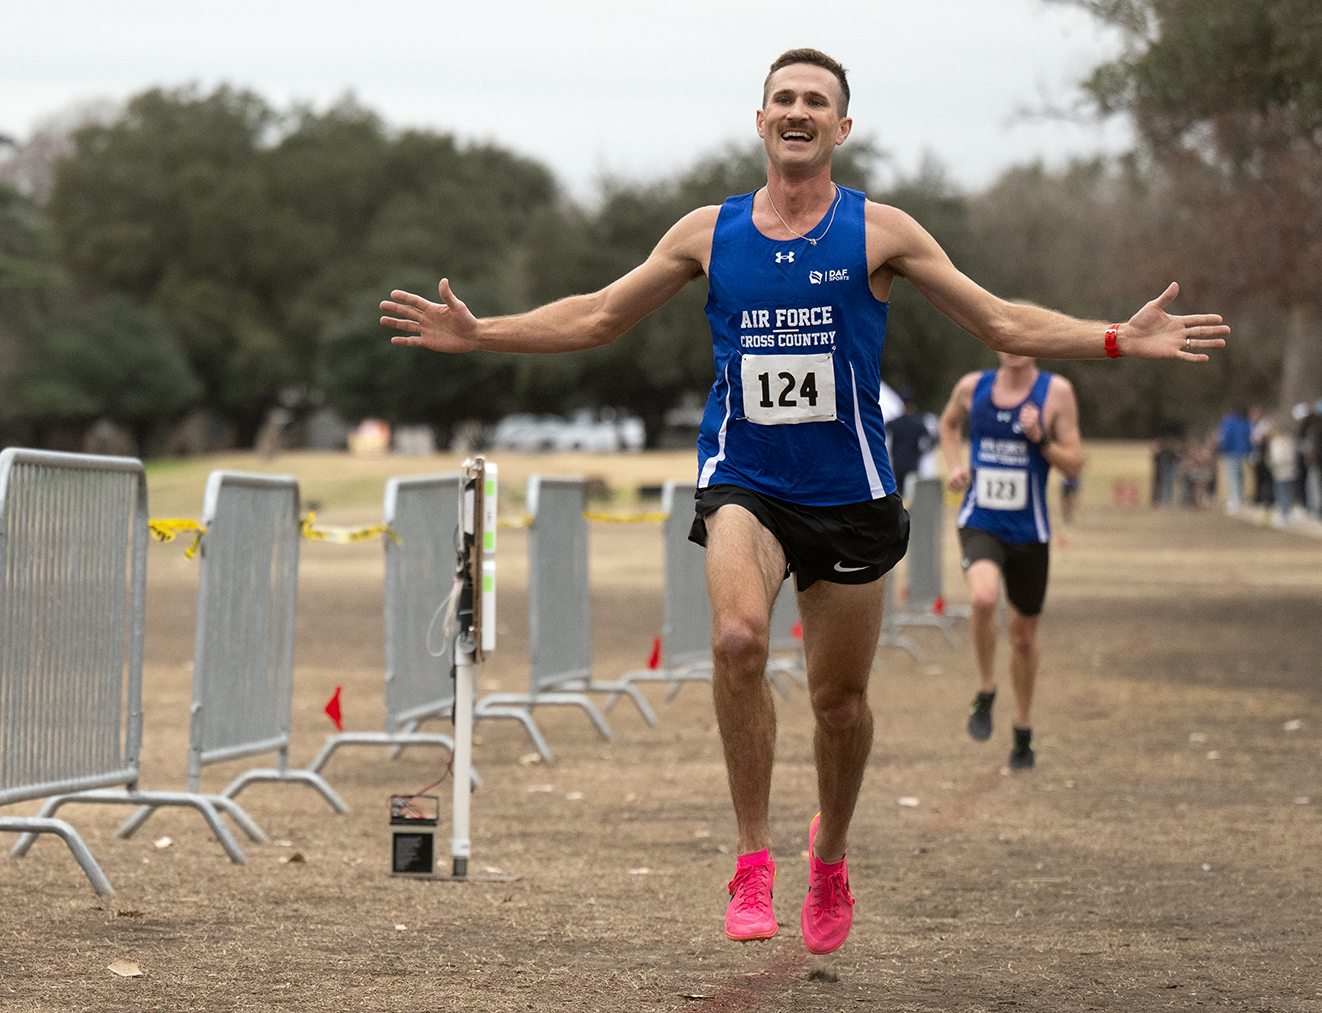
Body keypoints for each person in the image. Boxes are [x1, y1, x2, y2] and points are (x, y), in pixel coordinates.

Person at [378, 48, 1227, 955]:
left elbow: (1001, 323)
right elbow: (598, 315)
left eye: (815, 101)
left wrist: (1111, 338)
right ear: (759, 121)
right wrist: (483, 334)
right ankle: (753, 859)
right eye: (782, 97)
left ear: (841, 128)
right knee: (739, 639)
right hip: (746, 478)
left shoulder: (880, 232)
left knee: (839, 704)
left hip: (851, 495)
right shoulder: (710, 233)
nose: (797, 110)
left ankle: (833, 851)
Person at [937, 352, 1084, 770]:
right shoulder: (972, 387)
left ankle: (1023, 728)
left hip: (1030, 532)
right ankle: (986, 689)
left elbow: (1075, 463)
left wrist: (1041, 439)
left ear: (1034, 343)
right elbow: (948, 424)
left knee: (1022, 639)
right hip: (980, 520)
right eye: (1005, 337)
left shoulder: (1056, 392)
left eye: (1022, 337)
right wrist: (955, 465)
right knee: (982, 599)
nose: (1013, 346)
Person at [885, 388, 938, 497]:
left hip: (897, 465)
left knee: (899, 494)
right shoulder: (918, 423)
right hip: (913, 465)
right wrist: (922, 452)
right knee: (911, 496)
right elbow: (932, 439)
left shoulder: (895, 423)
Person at [1215, 407, 1253, 513]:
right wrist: (1249, 450)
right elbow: (1248, 436)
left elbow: (1225, 438)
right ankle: (1240, 499)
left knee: (1233, 477)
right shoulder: (1244, 422)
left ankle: (1235, 501)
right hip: (1243, 452)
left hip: (1230, 452)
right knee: (1240, 476)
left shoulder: (1228, 422)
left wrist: (1221, 450)